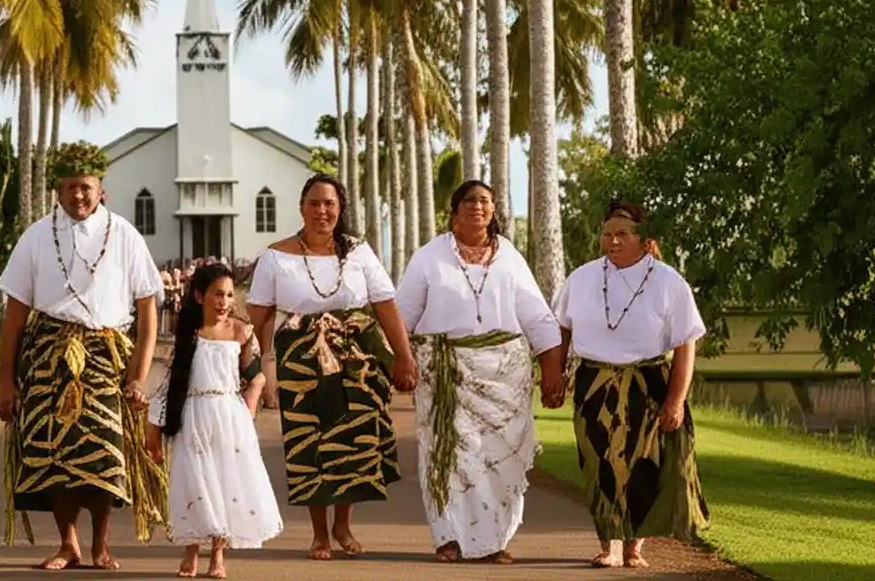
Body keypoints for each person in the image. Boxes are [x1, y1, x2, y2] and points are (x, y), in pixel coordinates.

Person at [0, 141, 168, 571]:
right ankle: (67, 543)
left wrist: (138, 376)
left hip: (106, 359)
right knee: (54, 455)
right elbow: (15, 319)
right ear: (58, 190)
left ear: (101, 189)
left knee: (105, 451)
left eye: (87, 187)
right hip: (47, 358)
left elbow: (148, 313)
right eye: (70, 187)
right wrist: (5, 380)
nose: (79, 196)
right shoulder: (35, 237)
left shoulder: (125, 234)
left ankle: (100, 545)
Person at [245, 172, 418, 561]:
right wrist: (248, 367)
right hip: (301, 361)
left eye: (330, 204)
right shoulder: (275, 255)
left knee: (353, 439)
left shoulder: (358, 252)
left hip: (356, 356)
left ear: (340, 210)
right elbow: (256, 319)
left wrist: (403, 356)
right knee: (309, 441)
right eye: (314, 203)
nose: (322, 211)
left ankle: (344, 524)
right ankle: (319, 534)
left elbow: (385, 306)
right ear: (302, 208)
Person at [395, 180, 564, 564]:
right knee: (448, 455)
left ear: (494, 210)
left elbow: (537, 316)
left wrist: (553, 370)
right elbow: (402, 318)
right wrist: (402, 360)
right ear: (454, 213)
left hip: (506, 373)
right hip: (445, 374)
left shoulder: (509, 257)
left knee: (499, 456)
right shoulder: (428, 258)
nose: (477, 206)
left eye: (485, 200)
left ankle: (494, 541)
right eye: (469, 200)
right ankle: (449, 537)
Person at [551, 200, 711, 569]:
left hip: (649, 382)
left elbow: (685, 345)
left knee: (643, 466)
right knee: (599, 463)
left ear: (645, 239)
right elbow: (561, 329)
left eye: (623, 234)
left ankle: (635, 545)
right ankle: (610, 545)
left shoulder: (670, 282)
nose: (614, 241)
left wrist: (675, 401)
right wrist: (556, 376)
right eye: (607, 234)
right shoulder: (582, 277)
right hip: (594, 383)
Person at [145, 263, 283, 578]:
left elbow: (256, 376)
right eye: (217, 294)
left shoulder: (240, 331)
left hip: (229, 417)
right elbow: (169, 385)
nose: (224, 302)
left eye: (229, 295)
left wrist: (249, 406)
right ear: (199, 296)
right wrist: (153, 431)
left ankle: (217, 555)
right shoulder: (189, 335)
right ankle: (191, 549)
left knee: (224, 483)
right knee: (195, 483)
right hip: (194, 416)